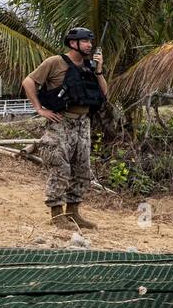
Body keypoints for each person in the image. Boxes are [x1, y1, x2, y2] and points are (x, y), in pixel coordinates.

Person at [21, 27, 109, 229]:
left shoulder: (90, 66)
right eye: (85, 41)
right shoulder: (54, 62)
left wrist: (99, 70)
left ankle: (72, 212)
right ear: (73, 43)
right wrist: (39, 109)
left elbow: (104, 94)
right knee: (60, 168)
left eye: (90, 41)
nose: (89, 44)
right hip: (61, 122)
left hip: (82, 123)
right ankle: (56, 214)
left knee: (82, 169)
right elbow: (28, 82)